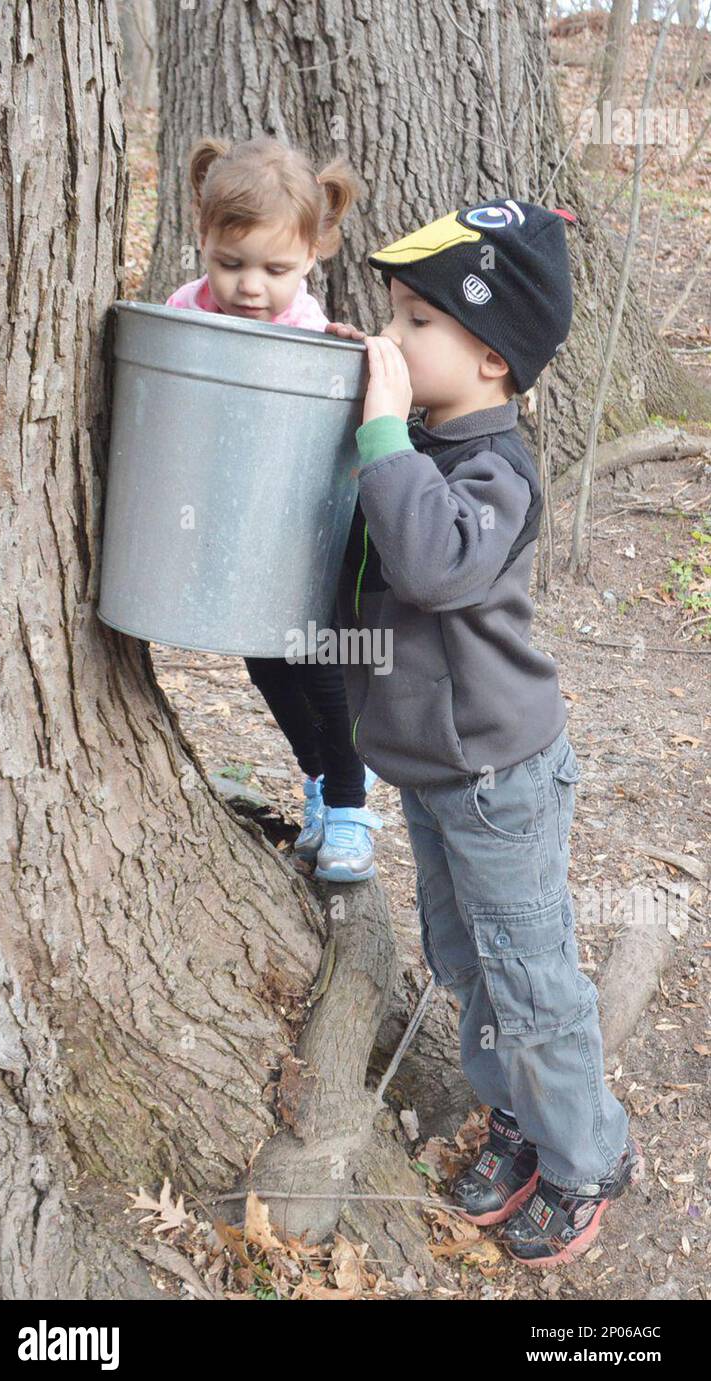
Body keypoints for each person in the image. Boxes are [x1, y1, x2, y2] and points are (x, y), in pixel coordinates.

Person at [333, 199, 644, 1268]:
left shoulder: (494, 472)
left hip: (498, 775)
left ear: (491, 359)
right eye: (392, 315)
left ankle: (586, 1157)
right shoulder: (420, 441)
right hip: (433, 771)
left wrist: (379, 427)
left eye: (414, 321)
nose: (391, 338)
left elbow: (426, 560)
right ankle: (517, 1114)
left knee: (531, 976)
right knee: (464, 958)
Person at [166, 134, 382, 881]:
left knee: (316, 661)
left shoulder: (309, 333)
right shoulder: (184, 314)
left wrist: (347, 359)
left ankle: (352, 804)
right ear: (201, 239)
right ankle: (318, 779)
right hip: (229, 524)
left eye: (274, 269)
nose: (250, 286)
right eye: (231, 264)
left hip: (300, 530)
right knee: (262, 659)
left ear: (313, 255)